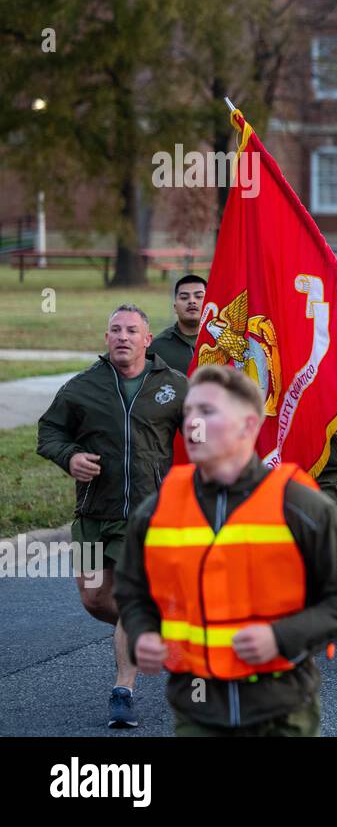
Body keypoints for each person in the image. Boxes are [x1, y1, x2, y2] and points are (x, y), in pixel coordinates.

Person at [114, 365, 337, 736]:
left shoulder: (298, 504)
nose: (192, 424)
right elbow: (131, 588)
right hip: (197, 712)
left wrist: (279, 637)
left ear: (249, 425)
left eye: (208, 412)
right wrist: (143, 633)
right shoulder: (158, 509)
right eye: (188, 412)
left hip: (280, 712)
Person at [37, 304, 188, 729]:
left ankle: (123, 691)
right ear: (107, 339)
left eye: (132, 330)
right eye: (115, 330)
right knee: (95, 598)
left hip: (145, 516)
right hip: (91, 515)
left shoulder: (174, 387)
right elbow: (48, 432)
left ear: (147, 340)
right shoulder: (82, 387)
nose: (123, 336)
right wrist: (70, 457)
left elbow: (204, 434)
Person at [151, 275, 206, 373]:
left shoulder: (223, 342)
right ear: (175, 307)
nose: (192, 301)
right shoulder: (157, 348)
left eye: (199, 296)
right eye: (184, 297)